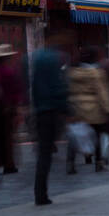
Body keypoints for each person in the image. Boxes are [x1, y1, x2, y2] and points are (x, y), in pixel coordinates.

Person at [66, 47, 109, 173]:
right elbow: (103, 92)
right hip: (94, 108)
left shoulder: (72, 73)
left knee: (74, 137)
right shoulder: (97, 73)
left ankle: (70, 163)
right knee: (97, 135)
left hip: (77, 107)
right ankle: (98, 163)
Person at [29, 47, 68, 205]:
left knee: (44, 154)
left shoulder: (38, 62)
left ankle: (40, 192)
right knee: (45, 154)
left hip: (41, 112)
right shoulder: (51, 62)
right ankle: (41, 193)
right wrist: (66, 108)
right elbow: (57, 89)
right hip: (50, 113)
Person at [0, 44, 24, 174]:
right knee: (8, 138)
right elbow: (15, 92)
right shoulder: (9, 72)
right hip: (7, 109)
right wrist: (17, 109)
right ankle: (9, 164)